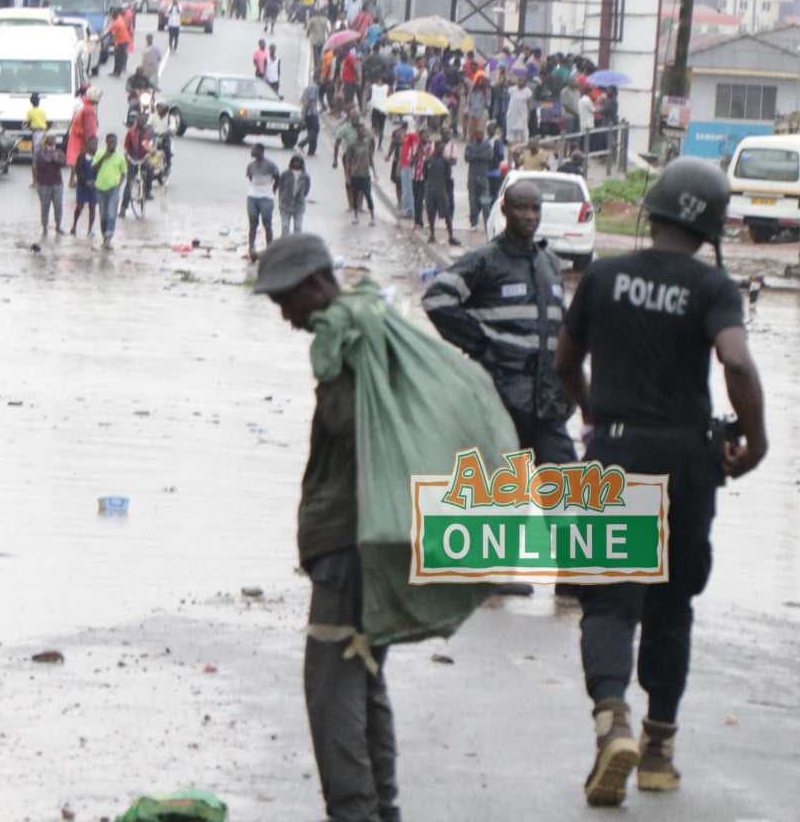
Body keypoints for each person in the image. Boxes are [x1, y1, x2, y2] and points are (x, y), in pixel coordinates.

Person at [555, 160, 767, 807]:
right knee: (673, 606)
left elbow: (564, 360)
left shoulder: (604, 275)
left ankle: (611, 716)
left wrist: (592, 409)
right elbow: (734, 357)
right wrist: (756, 438)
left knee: (609, 601)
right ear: (711, 227)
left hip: (616, 454)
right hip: (686, 461)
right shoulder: (712, 287)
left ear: (652, 211)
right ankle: (656, 753)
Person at [251, 234, 399, 822]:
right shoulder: (375, 318)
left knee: (332, 687)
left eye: (285, 302)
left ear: (315, 285)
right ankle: (381, 811)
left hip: (352, 537)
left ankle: (356, 814)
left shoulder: (349, 337)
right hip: (382, 534)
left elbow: (353, 426)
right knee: (364, 680)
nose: (285, 318)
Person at [423, 180, 577, 477]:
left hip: (548, 406)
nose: (530, 216)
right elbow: (437, 299)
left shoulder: (550, 264)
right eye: (522, 208)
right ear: (505, 211)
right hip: (501, 402)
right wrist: (482, 343)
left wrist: (569, 390)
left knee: (568, 498)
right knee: (502, 499)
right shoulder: (484, 261)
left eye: (536, 208)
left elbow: (563, 328)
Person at [245, 142, 281, 259]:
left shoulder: (270, 165)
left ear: (261, 151)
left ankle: (269, 248)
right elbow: (251, 178)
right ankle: (251, 247)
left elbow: (277, 178)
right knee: (252, 223)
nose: (251, 152)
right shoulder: (251, 166)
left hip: (266, 198)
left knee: (267, 224)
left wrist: (272, 190)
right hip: (252, 197)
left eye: (254, 150)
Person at [339, 112, 376, 224]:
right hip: (355, 174)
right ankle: (355, 215)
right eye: (362, 131)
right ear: (357, 133)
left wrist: (374, 172)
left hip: (365, 174)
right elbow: (348, 160)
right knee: (355, 194)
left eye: (365, 131)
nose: (364, 133)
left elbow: (370, 158)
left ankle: (372, 216)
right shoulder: (352, 146)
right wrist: (347, 175)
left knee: (368, 195)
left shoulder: (367, 144)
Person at [423, 132, 458, 245]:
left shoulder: (445, 161)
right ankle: (432, 234)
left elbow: (448, 177)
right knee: (431, 213)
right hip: (430, 190)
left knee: (447, 214)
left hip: (441, 190)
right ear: (436, 148)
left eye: (443, 148)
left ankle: (451, 236)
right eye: (440, 148)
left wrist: (445, 190)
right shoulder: (428, 160)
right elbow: (425, 174)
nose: (442, 150)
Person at [92, 131, 125, 250]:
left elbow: (123, 173)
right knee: (103, 215)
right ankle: (104, 236)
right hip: (100, 188)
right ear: (106, 142)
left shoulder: (120, 157)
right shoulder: (99, 153)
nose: (112, 144)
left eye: (114, 142)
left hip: (113, 189)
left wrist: (118, 185)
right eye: (110, 142)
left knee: (112, 214)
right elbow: (94, 168)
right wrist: (103, 158)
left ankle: (108, 238)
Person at [34, 132, 67, 236]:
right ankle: (45, 228)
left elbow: (63, 162)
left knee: (58, 206)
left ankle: (58, 226)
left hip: (57, 183)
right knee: (45, 206)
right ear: (45, 140)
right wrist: (53, 159)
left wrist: (52, 159)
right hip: (44, 183)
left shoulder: (58, 151)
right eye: (50, 138)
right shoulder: (40, 152)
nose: (53, 140)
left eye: (54, 138)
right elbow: (39, 163)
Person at [463, 128, 497, 229]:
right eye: (478, 134)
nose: (480, 136)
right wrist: (480, 156)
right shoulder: (470, 146)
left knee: (485, 201)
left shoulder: (487, 146)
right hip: (472, 177)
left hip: (483, 177)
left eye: (482, 134)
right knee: (472, 200)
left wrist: (475, 156)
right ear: (474, 135)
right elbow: (467, 157)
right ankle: (473, 223)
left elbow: (489, 156)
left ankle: (487, 223)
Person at [277, 153, 311, 236]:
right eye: (294, 161)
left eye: (298, 161)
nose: (296, 163)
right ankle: (285, 245)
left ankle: (296, 246)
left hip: (299, 205)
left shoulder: (305, 176)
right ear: (291, 162)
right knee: (285, 227)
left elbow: (306, 190)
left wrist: (301, 197)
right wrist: (281, 200)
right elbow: (281, 188)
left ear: (302, 163)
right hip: (285, 205)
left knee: (298, 227)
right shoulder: (285, 174)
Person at [298, 80, 321, 155]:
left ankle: (312, 150)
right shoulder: (314, 88)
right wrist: (305, 114)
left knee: (311, 131)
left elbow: (302, 100)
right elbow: (309, 101)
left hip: (309, 113)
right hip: (311, 113)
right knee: (315, 130)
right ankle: (302, 143)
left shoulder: (309, 87)